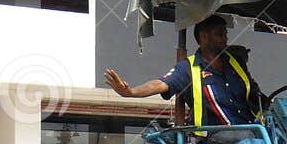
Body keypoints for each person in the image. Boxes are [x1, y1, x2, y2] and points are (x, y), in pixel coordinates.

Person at [103, 14, 264, 129]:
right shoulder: (189, 68)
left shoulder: (236, 62)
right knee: (250, 140)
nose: (225, 38)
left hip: (253, 130)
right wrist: (131, 92)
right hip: (217, 137)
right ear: (204, 37)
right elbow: (161, 84)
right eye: (219, 34)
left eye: (225, 33)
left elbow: (257, 96)